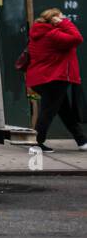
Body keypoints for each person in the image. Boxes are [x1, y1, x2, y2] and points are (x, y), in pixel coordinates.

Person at [25, 8, 87, 152]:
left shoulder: (39, 32)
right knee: (48, 111)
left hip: (42, 78)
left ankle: (82, 141)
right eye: (61, 16)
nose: (65, 18)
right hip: (53, 79)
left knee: (64, 111)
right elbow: (77, 38)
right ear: (54, 19)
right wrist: (64, 23)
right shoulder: (53, 34)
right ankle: (36, 144)